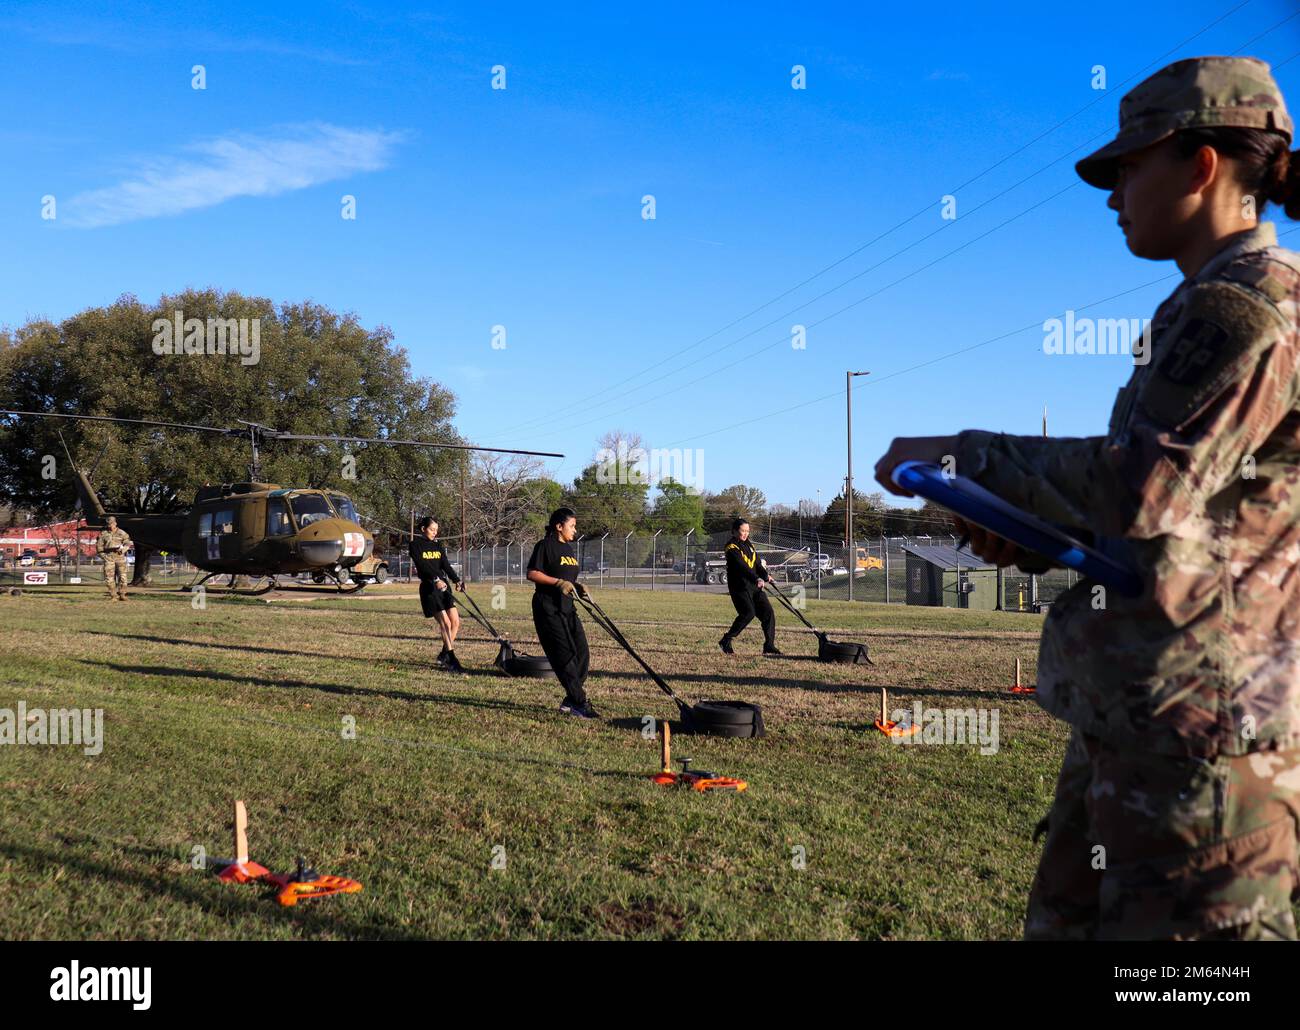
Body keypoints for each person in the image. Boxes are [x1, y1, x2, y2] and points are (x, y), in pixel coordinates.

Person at [875, 56, 1300, 940]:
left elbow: (1146, 485)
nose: (1112, 196)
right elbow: (1192, 517)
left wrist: (965, 453)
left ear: (1202, 165)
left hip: (1204, 745)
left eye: (1127, 168)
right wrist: (1033, 535)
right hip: (1152, 718)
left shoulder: (1244, 307)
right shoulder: (1204, 302)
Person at [526, 506, 595, 718]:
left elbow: (567, 576)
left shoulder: (569, 549)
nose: (575, 530)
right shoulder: (545, 545)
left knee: (582, 652)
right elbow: (532, 573)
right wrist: (558, 583)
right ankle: (578, 702)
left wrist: (577, 586)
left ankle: (570, 699)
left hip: (568, 607)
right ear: (559, 526)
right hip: (548, 607)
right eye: (572, 526)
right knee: (564, 656)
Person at [408, 517, 466, 671]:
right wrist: (435, 579)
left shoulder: (437, 545)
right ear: (423, 529)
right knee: (445, 623)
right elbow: (422, 565)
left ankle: (444, 654)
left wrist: (457, 580)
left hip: (444, 587)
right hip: (429, 587)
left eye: (436, 530)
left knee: (455, 622)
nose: (435, 532)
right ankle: (451, 659)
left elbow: (445, 565)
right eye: (432, 529)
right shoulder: (415, 545)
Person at [718, 517, 780, 655]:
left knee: (768, 613)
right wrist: (756, 578)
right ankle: (726, 640)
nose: (745, 534)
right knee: (748, 613)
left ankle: (769, 645)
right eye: (742, 531)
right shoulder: (731, 547)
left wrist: (765, 576)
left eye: (747, 531)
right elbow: (742, 567)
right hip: (739, 587)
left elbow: (757, 564)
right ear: (734, 531)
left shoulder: (750, 545)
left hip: (754, 586)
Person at [97, 516, 132, 602]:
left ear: (115, 523)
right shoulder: (103, 534)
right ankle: (113, 596)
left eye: (112, 523)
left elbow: (128, 543)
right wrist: (103, 556)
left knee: (123, 576)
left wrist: (123, 550)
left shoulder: (122, 533)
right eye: (108, 524)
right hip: (109, 557)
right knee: (109, 577)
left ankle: (122, 594)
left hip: (120, 557)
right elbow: (99, 547)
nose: (110, 525)